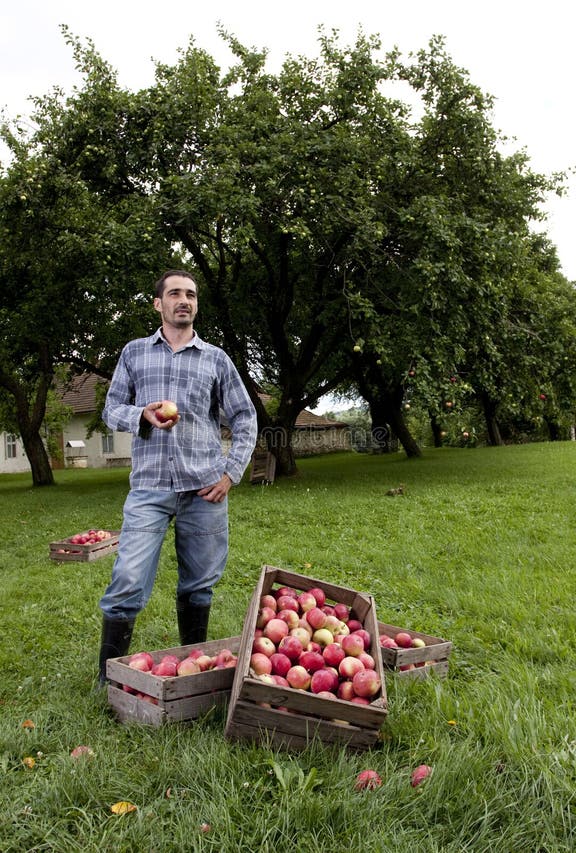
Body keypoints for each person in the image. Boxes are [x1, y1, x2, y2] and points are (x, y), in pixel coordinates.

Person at [97, 269, 258, 684]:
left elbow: (244, 416)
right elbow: (111, 408)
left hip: (203, 488)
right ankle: (107, 677)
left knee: (199, 585)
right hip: (149, 486)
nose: (183, 300)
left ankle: (192, 672)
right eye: (174, 294)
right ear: (159, 304)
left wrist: (230, 473)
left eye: (190, 294)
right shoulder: (134, 353)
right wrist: (142, 415)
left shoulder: (216, 359)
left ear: (196, 304)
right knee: (128, 579)